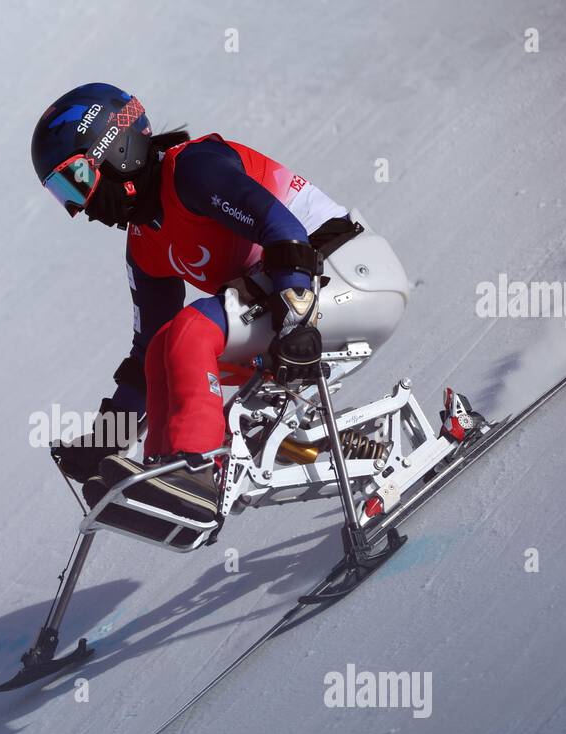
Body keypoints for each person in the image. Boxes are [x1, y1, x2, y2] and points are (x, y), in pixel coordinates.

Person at [31, 82, 358, 540]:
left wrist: (296, 317)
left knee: (191, 332)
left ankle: (195, 469)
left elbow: (284, 231)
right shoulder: (144, 243)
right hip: (291, 296)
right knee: (164, 348)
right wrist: (108, 436)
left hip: (342, 268)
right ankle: (168, 480)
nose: (80, 208)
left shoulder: (193, 169)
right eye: (63, 193)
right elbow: (147, 350)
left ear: (115, 150)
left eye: (77, 181)